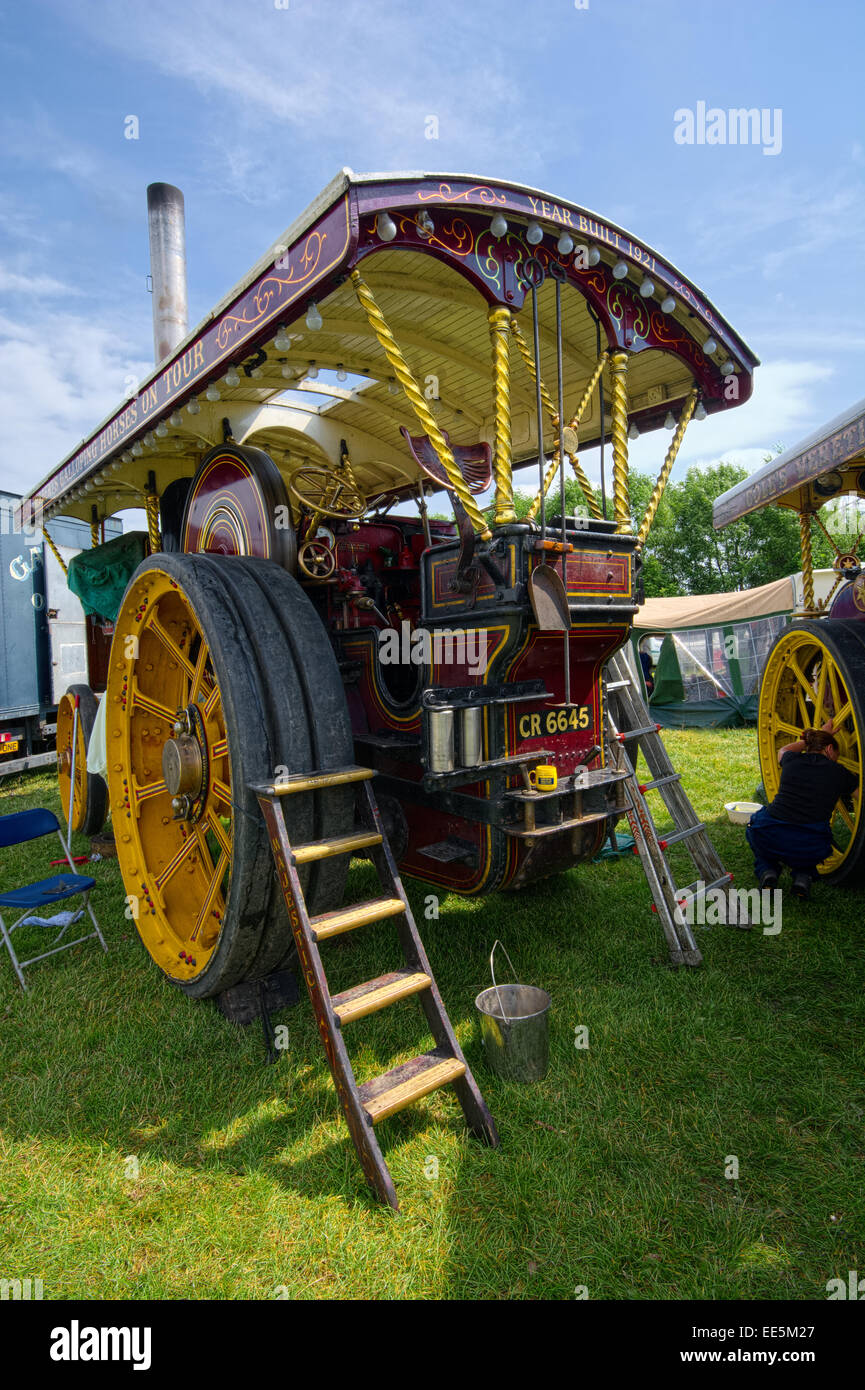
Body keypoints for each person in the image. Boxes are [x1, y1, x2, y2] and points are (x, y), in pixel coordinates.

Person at [746, 725, 858, 899]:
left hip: (770, 835)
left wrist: (809, 739)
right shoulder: (840, 773)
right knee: (816, 836)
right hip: (809, 844)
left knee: (755, 821)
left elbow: (782, 749)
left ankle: (767, 871)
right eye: (836, 755)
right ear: (829, 749)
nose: (836, 759)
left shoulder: (791, 760)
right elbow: (860, 795)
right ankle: (802, 876)